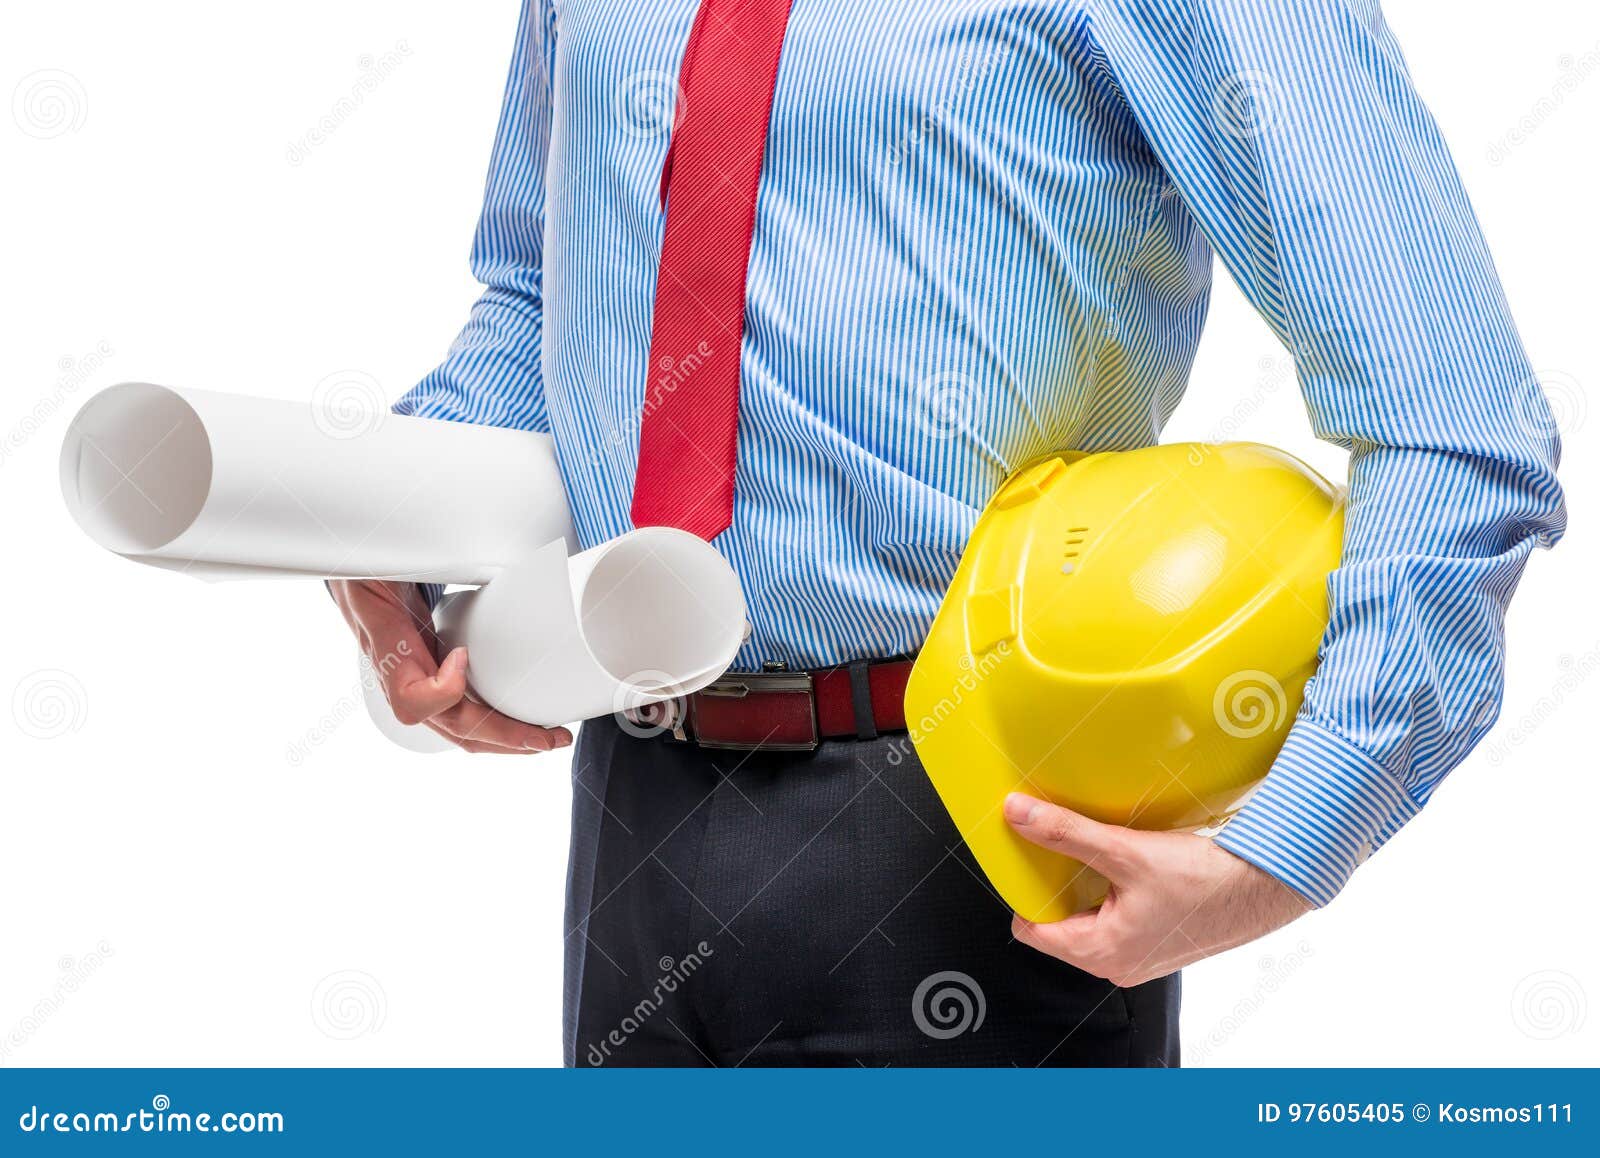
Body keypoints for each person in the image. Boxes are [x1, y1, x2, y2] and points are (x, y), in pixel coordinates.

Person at [329, 0, 1564, 1066]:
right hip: (629, 805)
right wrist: (397, 530)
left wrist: (1289, 843)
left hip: (982, 814)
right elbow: (542, 290)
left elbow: (1455, 418)